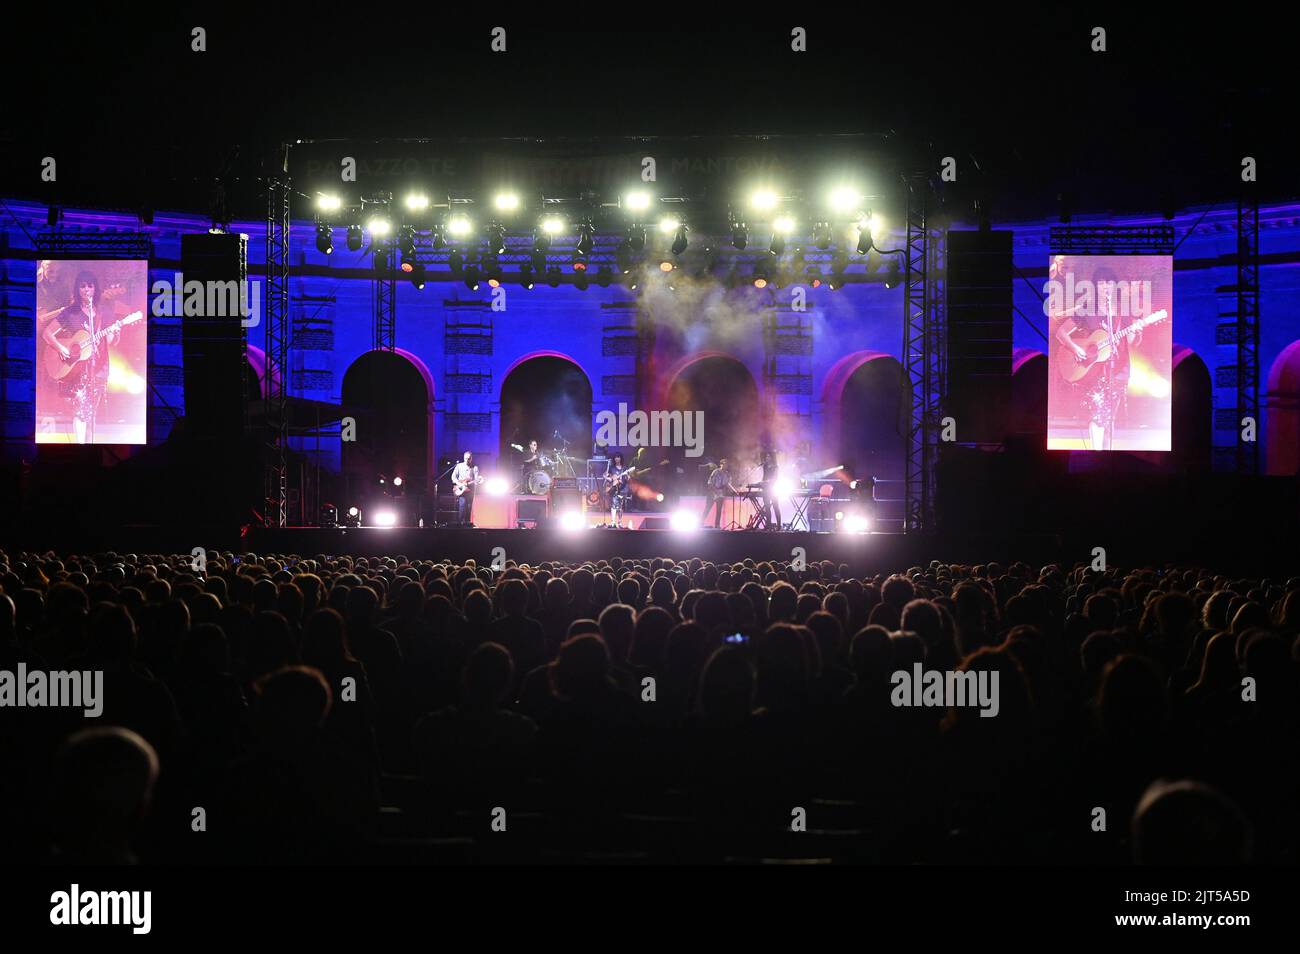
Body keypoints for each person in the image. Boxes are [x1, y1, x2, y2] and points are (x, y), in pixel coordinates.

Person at [1054, 266, 1143, 451]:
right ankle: (1095, 455)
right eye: (1101, 283)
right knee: (1097, 415)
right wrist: (1076, 348)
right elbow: (1061, 333)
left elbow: (1132, 342)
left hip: (1119, 370)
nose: (1105, 287)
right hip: (1093, 370)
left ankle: (1106, 456)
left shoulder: (1122, 312)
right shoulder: (1087, 310)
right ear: (1095, 286)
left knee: (1109, 418)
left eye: (1109, 283)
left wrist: (1137, 331)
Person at [42, 270, 119, 443]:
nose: (86, 289)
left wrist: (115, 331)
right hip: (75, 369)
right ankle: (79, 449)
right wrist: (62, 348)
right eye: (82, 286)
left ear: (95, 289)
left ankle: (90, 451)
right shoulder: (70, 312)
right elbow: (47, 333)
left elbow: (110, 341)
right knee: (80, 411)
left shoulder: (104, 312)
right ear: (77, 289)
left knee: (91, 413)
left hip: (99, 367)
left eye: (89, 285)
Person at [700, 458, 735, 529]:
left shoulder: (728, 474)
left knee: (719, 510)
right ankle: (700, 523)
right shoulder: (716, 471)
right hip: (712, 493)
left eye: (727, 464)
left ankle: (717, 525)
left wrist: (733, 490)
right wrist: (715, 491)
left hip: (721, 494)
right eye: (724, 464)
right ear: (721, 464)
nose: (726, 466)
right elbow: (710, 483)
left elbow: (728, 484)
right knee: (707, 508)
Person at [450, 451, 479, 526]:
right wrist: (459, 483)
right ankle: (460, 523)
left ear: (471, 458)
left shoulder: (475, 468)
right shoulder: (459, 466)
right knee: (462, 505)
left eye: (468, 459)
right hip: (461, 489)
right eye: (465, 458)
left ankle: (467, 523)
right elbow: (453, 477)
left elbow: (476, 480)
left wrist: (471, 483)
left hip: (470, 490)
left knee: (469, 506)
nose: (467, 460)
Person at [605, 452, 631, 528]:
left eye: (618, 457)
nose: (617, 459)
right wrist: (609, 479)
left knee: (620, 507)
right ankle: (613, 522)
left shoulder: (625, 468)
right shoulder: (611, 468)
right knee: (613, 505)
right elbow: (606, 476)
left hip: (623, 489)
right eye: (616, 457)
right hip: (614, 489)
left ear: (621, 458)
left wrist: (627, 477)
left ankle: (619, 522)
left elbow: (628, 478)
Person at [759, 449, 783, 530]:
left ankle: (779, 525)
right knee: (767, 507)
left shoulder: (776, 467)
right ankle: (768, 524)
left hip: (773, 489)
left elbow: (775, 478)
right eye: (766, 456)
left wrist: (767, 481)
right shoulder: (764, 466)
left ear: (772, 457)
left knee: (775, 506)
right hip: (765, 489)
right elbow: (764, 476)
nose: (767, 458)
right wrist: (761, 483)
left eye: (769, 456)